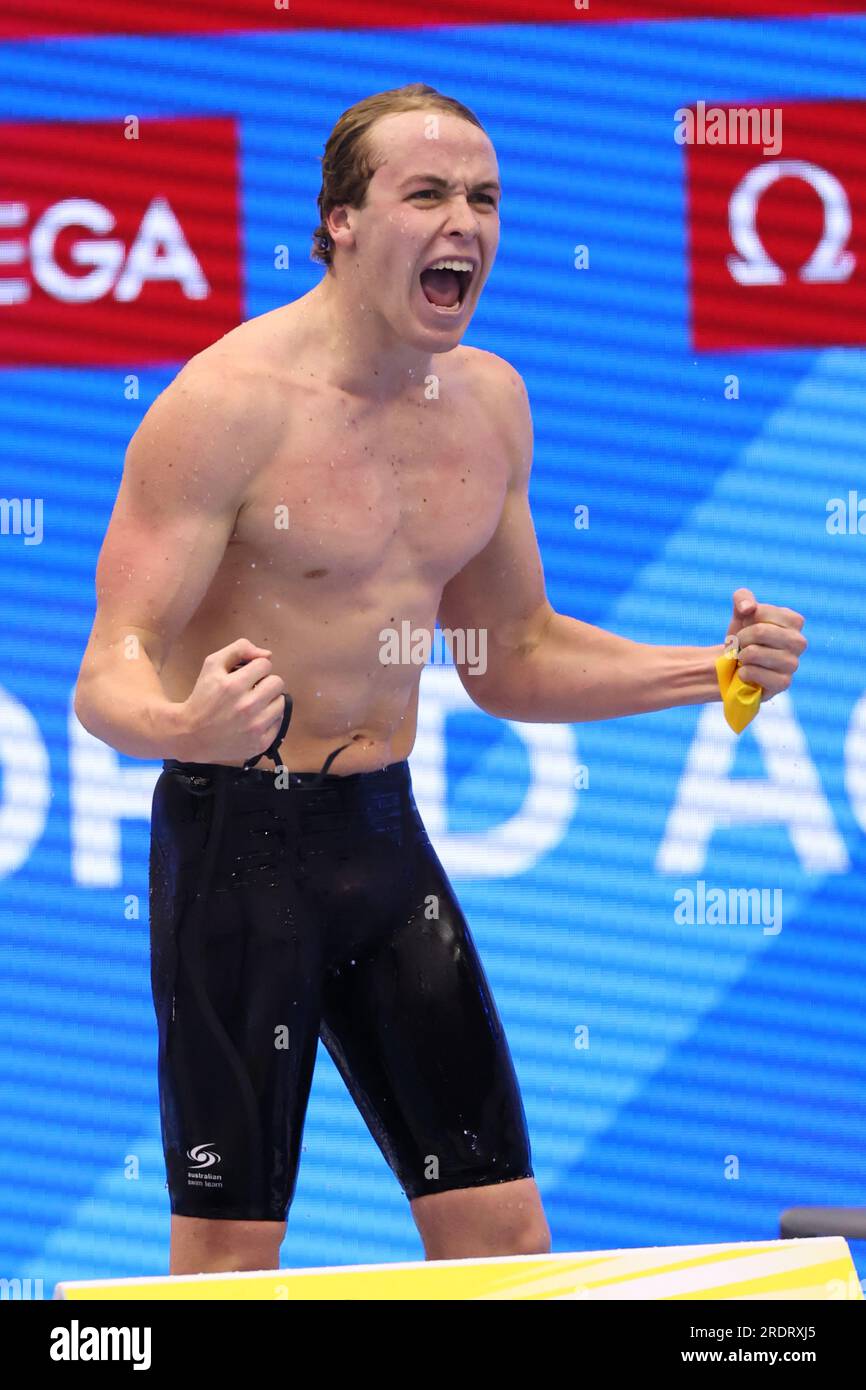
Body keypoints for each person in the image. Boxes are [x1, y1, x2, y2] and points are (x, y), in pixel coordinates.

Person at [74, 83, 807, 1276]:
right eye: (425, 193)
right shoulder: (224, 408)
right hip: (234, 849)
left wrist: (714, 670)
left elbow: (511, 655)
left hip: (383, 836)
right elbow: (105, 671)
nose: (463, 221)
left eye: (483, 198)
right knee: (228, 1258)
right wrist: (183, 723)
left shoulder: (487, 405)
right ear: (340, 222)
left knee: (499, 1236)